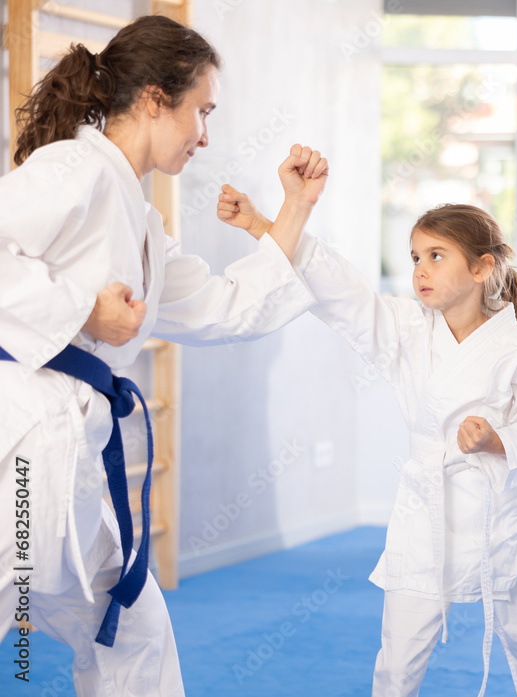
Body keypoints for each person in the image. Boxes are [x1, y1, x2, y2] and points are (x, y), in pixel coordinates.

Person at [0, 15, 328, 695]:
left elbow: (224, 306)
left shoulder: (141, 220)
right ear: (155, 99)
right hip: (22, 451)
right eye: (201, 111)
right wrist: (85, 310)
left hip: (71, 456)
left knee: (134, 626)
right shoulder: (74, 168)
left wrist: (295, 207)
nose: (205, 135)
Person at [217, 193, 517, 696]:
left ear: (481, 267)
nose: (421, 269)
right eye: (415, 257)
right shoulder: (406, 329)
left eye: (436, 256)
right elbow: (342, 289)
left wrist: (498, 441)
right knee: (399, 656)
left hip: (499, 517)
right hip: (425, 513)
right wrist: (259, 224)